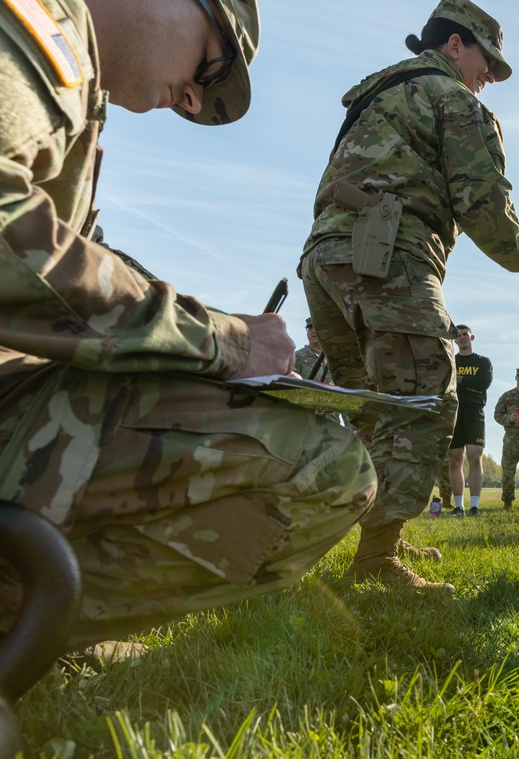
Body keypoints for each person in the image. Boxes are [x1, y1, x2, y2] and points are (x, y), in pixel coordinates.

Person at [0, 0, 376, 650]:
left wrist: (217, 336)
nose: (194, 102)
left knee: (330, 462)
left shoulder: (74, 88)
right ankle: (28, 615)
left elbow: (90, 262)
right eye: (212, 64)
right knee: (321, 467)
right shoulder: (37, 28)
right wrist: (224, 342)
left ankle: (33, 609)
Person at [299, 0, 519, 591]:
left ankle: (376, 536)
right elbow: (483, 203)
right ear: (456, 44)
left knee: (371, 409)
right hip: (389, 259)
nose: (490, 75)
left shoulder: (378, 94)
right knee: (425, 401)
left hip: (324, 260)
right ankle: (377, 557)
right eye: (487, 59)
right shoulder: (453, 100)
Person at [447, 324, 492, 516]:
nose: (462, 337)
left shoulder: (483, 362)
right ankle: (459, 506)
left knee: (475, 455)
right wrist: (468, 385)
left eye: (465, 334)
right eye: (458, 336)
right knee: (455, 458)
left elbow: (483, 384)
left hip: (475, 411)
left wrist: (458, 380)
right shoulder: (450, 361)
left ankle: (475, 506)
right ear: (455, 341)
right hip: (453, 410)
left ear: (471, 338)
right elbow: (444, 385)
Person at [493, 367, 519, 511]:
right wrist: (508, 418)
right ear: (516, 378)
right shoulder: (507, 396)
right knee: (508, 471)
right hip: (511, 439)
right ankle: (507, 503)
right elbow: (497, 415)